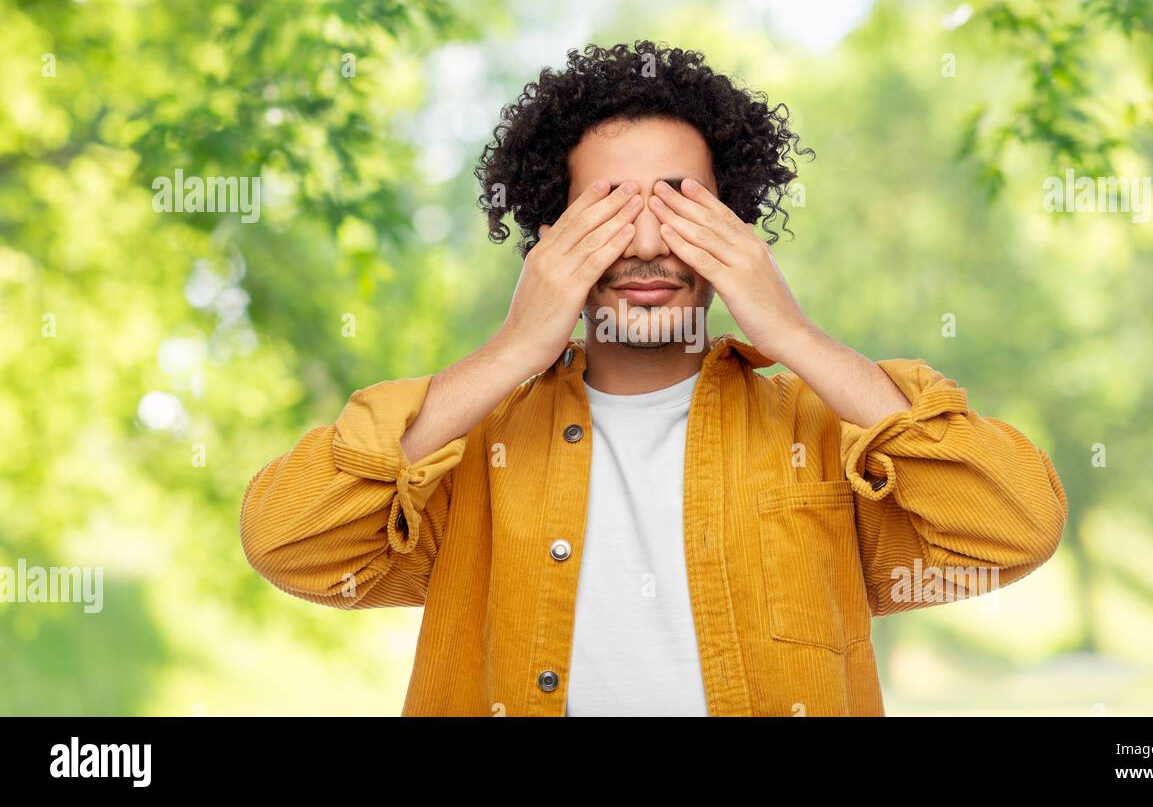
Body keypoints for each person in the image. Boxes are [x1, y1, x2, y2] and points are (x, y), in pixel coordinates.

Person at [240, 40, 1068, 716]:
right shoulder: (468, 448)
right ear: (551, 235)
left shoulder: (828, 433)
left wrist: (789, 331)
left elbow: (1015, 523)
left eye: (678, 204)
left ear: (734, 226)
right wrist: (513, 349)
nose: (644, 243)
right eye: (607, 209)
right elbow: (288, 541)